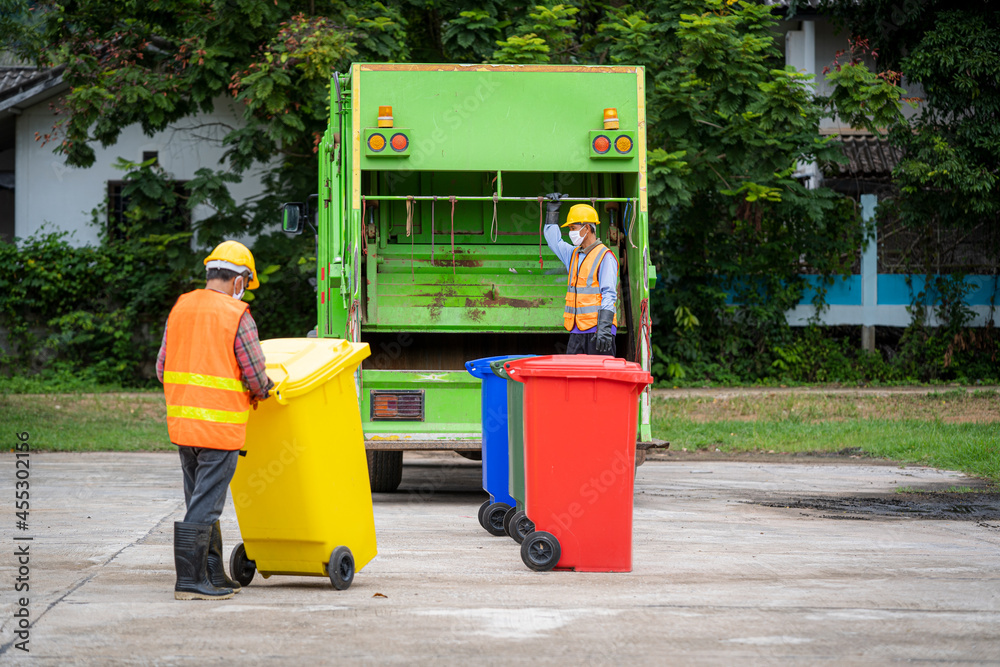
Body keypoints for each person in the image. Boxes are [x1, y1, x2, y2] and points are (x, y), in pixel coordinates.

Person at [155, 240, 274, 600]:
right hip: (219, 429)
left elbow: (162, 368)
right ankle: (189, 581)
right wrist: (264, 389)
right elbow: (254, 374)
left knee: (200, 500)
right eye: (246, 284)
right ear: (240, 280)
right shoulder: (237, 315)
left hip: (184, 427)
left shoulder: (181, 307)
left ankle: (212, 574)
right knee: (207, 504)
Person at [543, 193, 619, 356]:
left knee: (600, 378)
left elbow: (609, 294)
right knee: (574, 379)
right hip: (577, 330)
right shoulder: (573, 254)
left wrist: (605, 328)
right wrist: (552, 213)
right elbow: (553, 241)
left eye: (573, 228)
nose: (571, 233)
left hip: (599, 330)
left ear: (587, 228)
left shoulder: (605, 256)